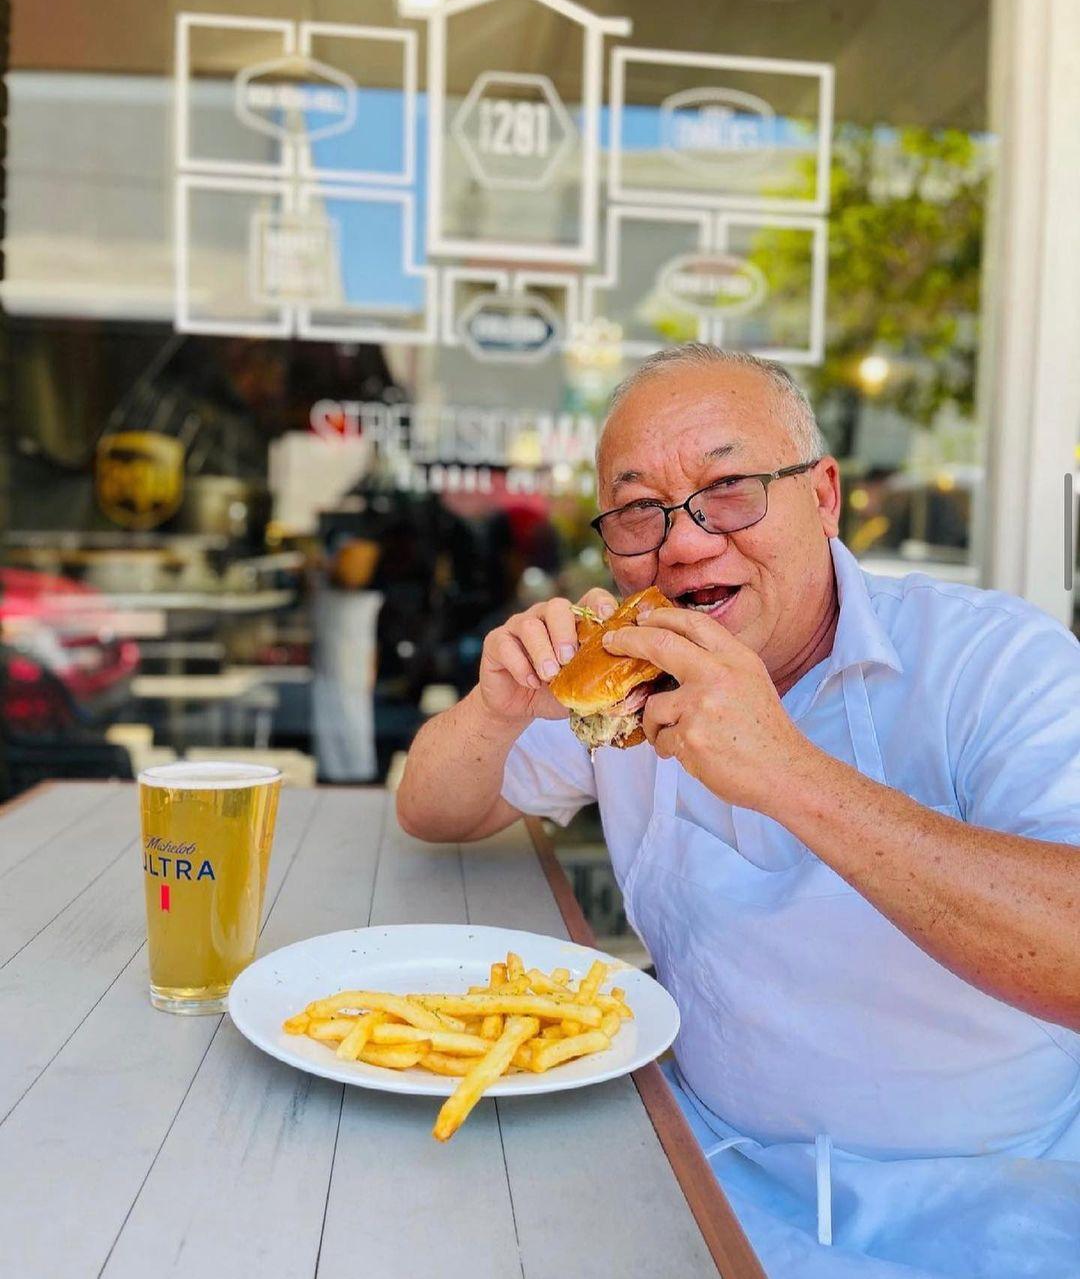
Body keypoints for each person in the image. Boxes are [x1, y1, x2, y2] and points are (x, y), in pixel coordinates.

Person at [396, 344, 1080, 1278]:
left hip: (997, 1200)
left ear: (825, 496)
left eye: (730, 489)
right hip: (699, 1169)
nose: (682, 543)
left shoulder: (997, 663)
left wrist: (787, 770)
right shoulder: (630, 667)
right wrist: (500, 705)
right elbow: (432, 808)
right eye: (639, 510)